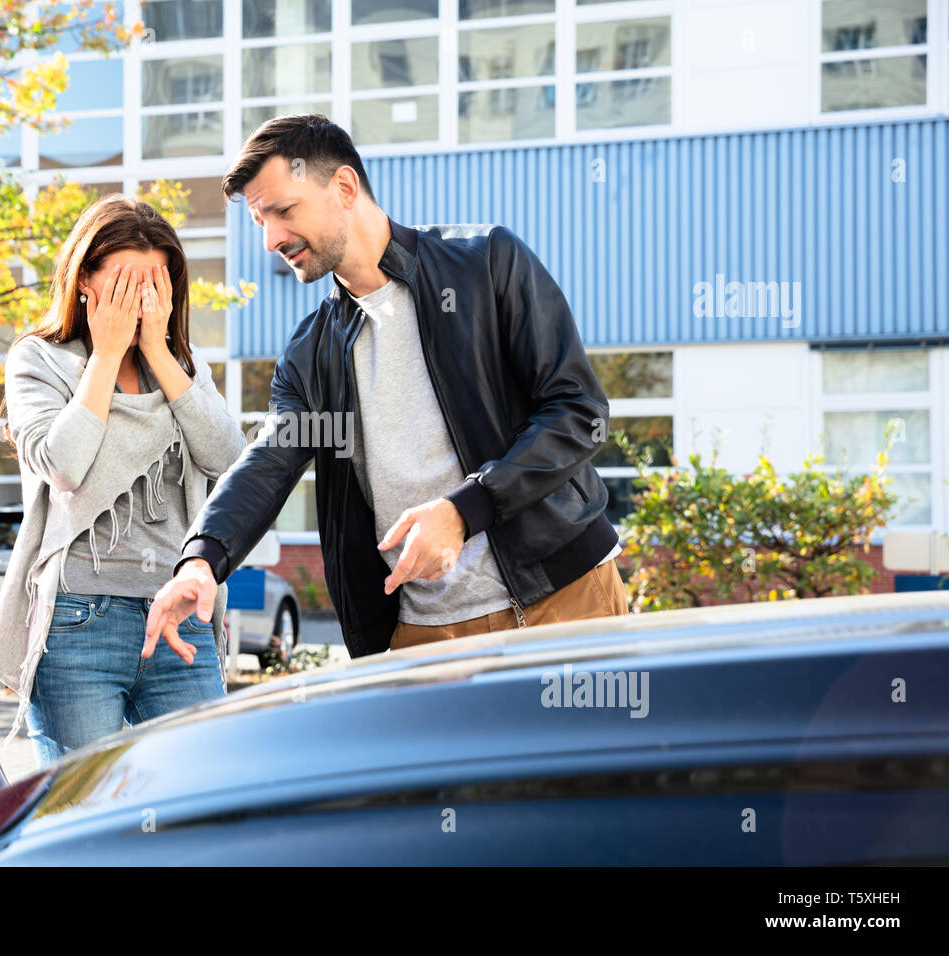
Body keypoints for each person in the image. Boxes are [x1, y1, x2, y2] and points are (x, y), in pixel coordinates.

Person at [146, 114, 627, 659]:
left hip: (563, 599)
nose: (271, 238)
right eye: (260, 220)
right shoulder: (313, 353)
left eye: (282, 211)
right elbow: (268, 463)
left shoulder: (485, 264)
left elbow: (575, 412)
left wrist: (463, 509)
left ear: (344, 187)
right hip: (423, 637)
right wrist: (203, 558)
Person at [0, 195, 245, 765]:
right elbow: (63, 465)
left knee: (203, 798)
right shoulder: (42, 359)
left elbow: (226, 455)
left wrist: (157, 349)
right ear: (84, 280)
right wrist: (105, 357)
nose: (141, 299)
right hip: (79, 622)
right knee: (88, 813)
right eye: (126, 282)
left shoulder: (182, 364)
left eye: (156, 283)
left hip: (178, 615)